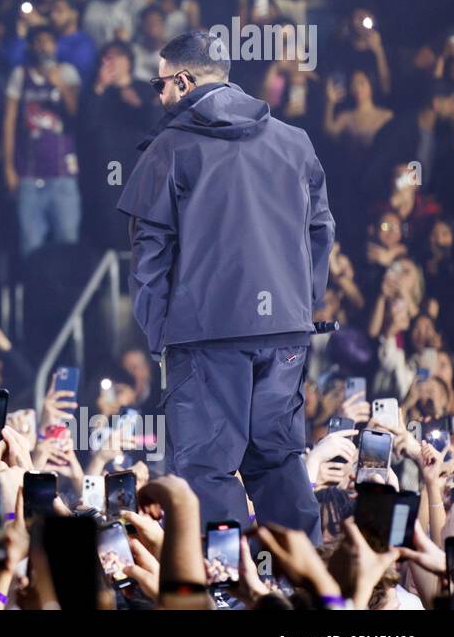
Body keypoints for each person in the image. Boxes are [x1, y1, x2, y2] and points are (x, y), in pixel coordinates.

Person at [117, 30, 335, 543]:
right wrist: (299, 306)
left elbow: (149, 254)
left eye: (160, 84)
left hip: (204, 334)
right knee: (278, 460)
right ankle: (301, 586)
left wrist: (161, 333)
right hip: (285, 331)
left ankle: (225, 592)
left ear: (184, 80)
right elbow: (321, 231)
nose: (160, 96)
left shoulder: (170, 148)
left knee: (206, 469)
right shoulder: (294, 141)